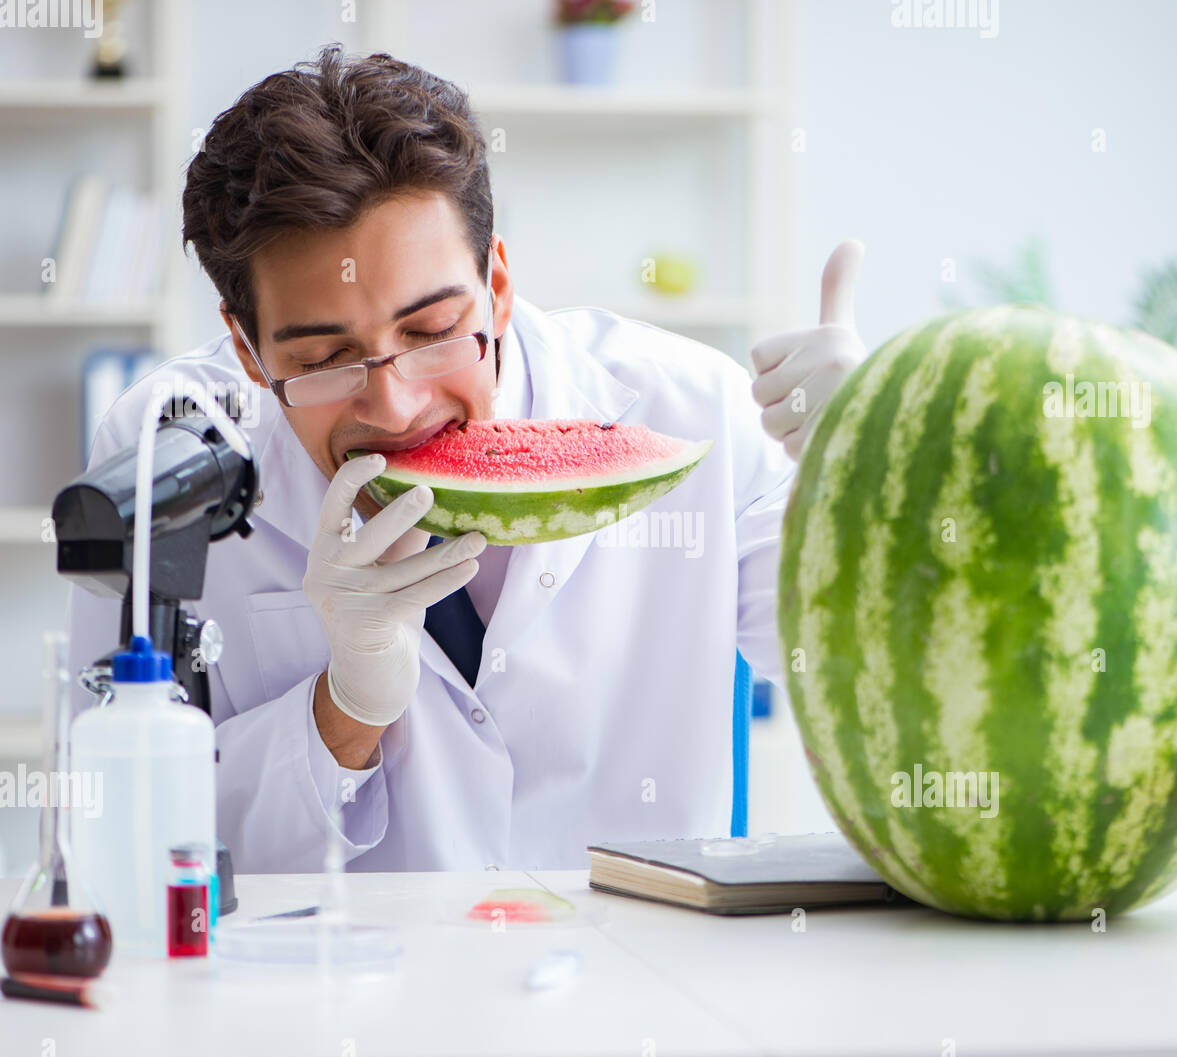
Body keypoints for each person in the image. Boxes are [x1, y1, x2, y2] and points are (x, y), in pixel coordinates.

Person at [65, 45, 866, 872]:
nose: (396, 406)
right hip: (328, 994)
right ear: (245, 347)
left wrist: (884, 469)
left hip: (641, 987)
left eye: (432, 331)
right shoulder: (161, 458)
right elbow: (119, 851)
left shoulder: (695, 409)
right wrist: (341, 713)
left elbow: (887, 703)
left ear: (500, 285)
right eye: (322, 359)